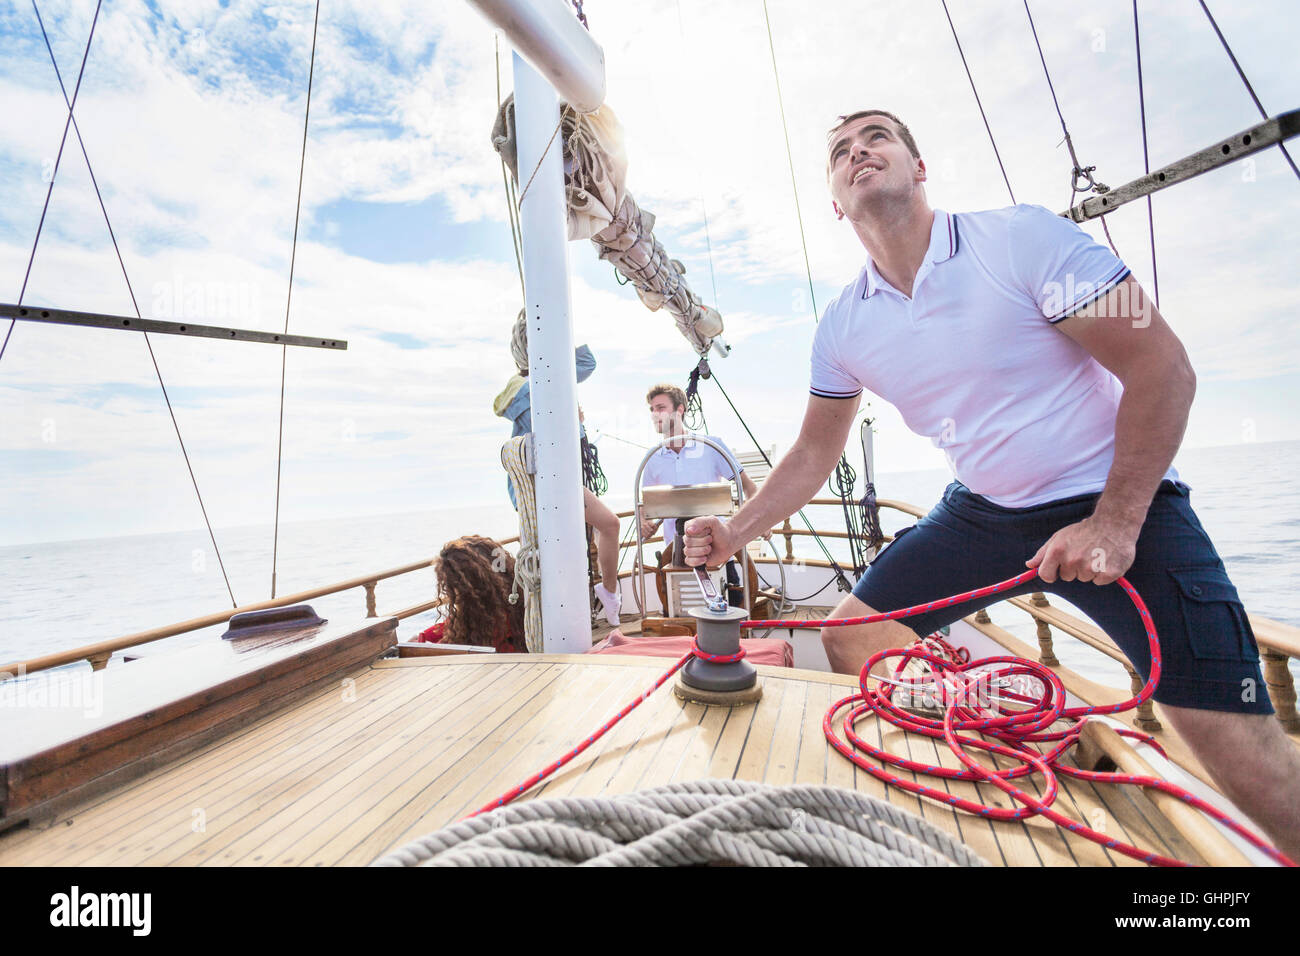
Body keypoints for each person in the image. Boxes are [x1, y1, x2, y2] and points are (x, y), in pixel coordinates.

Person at [681, 109, 1300, 857]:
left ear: (918, 166)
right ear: (836, 203)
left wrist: (1115, 523)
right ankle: (967, 756)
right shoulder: (843, 326)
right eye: (841, 151)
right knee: (856, 637)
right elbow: (814, 454)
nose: (858, 151)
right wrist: (735, 532)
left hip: (1123, 503)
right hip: (987, 513)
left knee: (1245, 762)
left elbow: (1163, 367)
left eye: (878, 136)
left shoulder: (1024, 239)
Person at [493, 309, 623, 625]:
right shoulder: (525, 389)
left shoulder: (552, 377)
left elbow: (587, 363)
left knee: (608, 526)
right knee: (556, 554)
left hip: (560, 480)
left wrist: (558, 328)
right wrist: (572, 417)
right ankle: (547, 619)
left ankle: (605, 593)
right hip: (542, 486)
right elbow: (550, 419)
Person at [640, 383, 766, 608]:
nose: (654, 414)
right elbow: (645, 506)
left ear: (679, 410)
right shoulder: (652, 460)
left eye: (660, 407)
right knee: (682, 616)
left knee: (732, 614)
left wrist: (762, 520)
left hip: (719, 548)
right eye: (651, 409)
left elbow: (747, 486)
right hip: (676, 555)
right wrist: (645, 522)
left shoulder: (711, 446)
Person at [415, 535, 526, 653]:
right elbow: (454, 625)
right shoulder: (516, 599)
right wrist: (424, 637)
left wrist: (422, 645)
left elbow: (456, 643)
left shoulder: (487, 625)